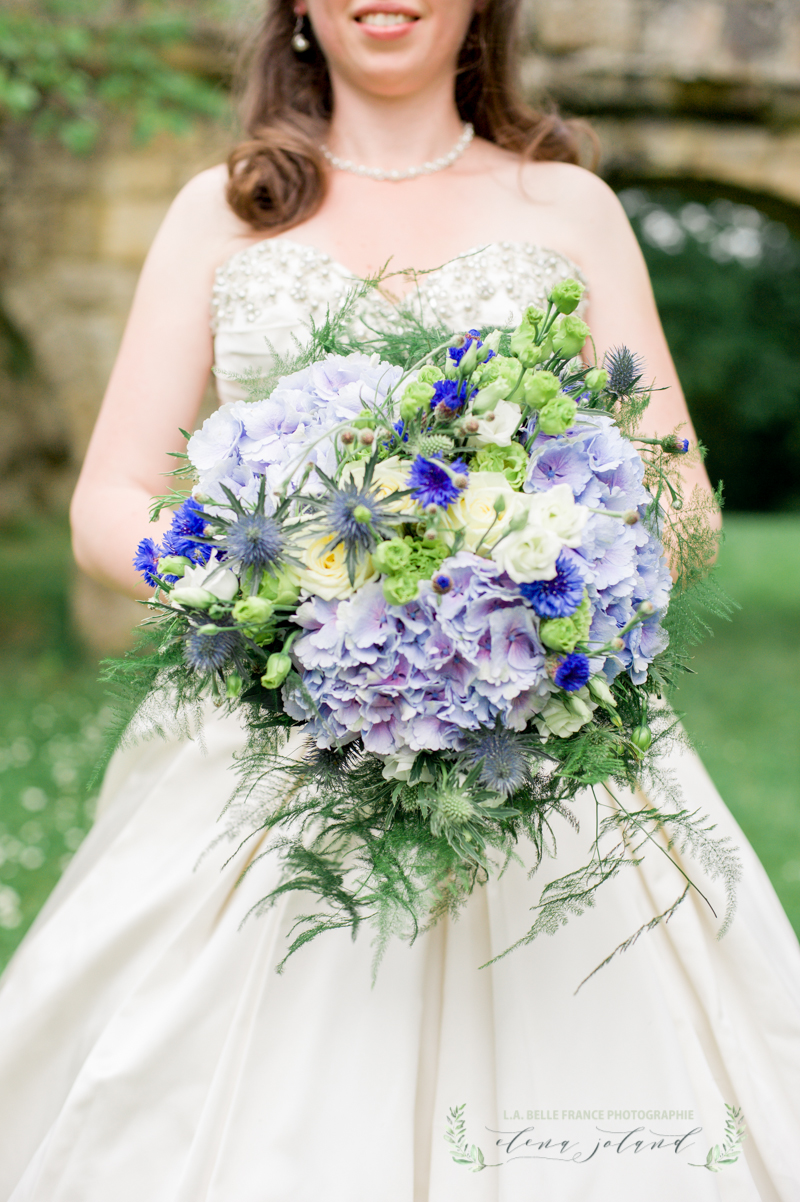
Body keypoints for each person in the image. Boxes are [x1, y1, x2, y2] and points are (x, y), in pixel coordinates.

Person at [1, 0, 799, 1197]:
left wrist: (538, 554)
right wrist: (258, 584)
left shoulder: (564, 204)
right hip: (268, 747)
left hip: (541, 757)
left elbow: (681, 499)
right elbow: (107, 498)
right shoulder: (221, 208)